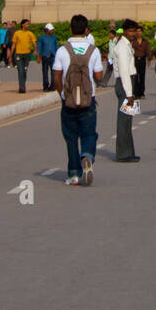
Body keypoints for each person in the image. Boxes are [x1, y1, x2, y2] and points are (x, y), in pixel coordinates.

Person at [53, 13, 103, 186]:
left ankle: (74, 174)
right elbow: (98, 75)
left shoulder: (62, 50)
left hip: (68, 101)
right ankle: (87, 156)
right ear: (86, 30)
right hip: (88, 100)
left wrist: (62, 94)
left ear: (70, 29)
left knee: (71, 137)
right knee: (89, 133)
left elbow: (57, 76)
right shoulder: (93, 50)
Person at [113, 20, 141, 163]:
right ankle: (123, 153)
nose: (133, 33)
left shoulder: (127, 45)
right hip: (125, 84)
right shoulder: (122, 46)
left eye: (134, 30)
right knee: (124, 119)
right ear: (124, 31)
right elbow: (124, 71)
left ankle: (129, 152)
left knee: (128, 119)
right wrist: (129, 94)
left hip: (129, 82)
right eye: (130, 31)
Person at [10, 18, 37, 93]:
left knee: (24, 70)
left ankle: (23, 85)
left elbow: (34, 43)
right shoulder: (17, 33)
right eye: (27, 24)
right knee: (20, 70)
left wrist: (35, 50)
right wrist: (11, 55)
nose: (28, 25)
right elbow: (13, 45)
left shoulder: (30, 33)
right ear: (22, 24)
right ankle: (22, 87)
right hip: (19, 55)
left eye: (29, 24)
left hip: (27, 55)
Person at [35, 23, 58, 92]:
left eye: (52, 30)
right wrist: (38, 57)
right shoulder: (42, 38)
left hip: (53, 57)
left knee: (53, 72)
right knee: (45, 72)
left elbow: (56, 47)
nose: (52, 31)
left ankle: (53, 86)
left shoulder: (54, 38)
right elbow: (39, 47)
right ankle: (45, 86)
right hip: (45, 56)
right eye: (50, 30)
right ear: (46, 30)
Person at [132, 25, 151, 98]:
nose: (138, 33)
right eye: (137, 31)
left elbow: (148, 50)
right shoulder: (133, 41)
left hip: (142, 60)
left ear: (142, 32)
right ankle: (135, 93)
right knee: (135, 77)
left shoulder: (145, 41)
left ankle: (141, 93)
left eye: (140, 31)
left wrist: (149, 59)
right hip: (135, 60)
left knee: (142, 77)